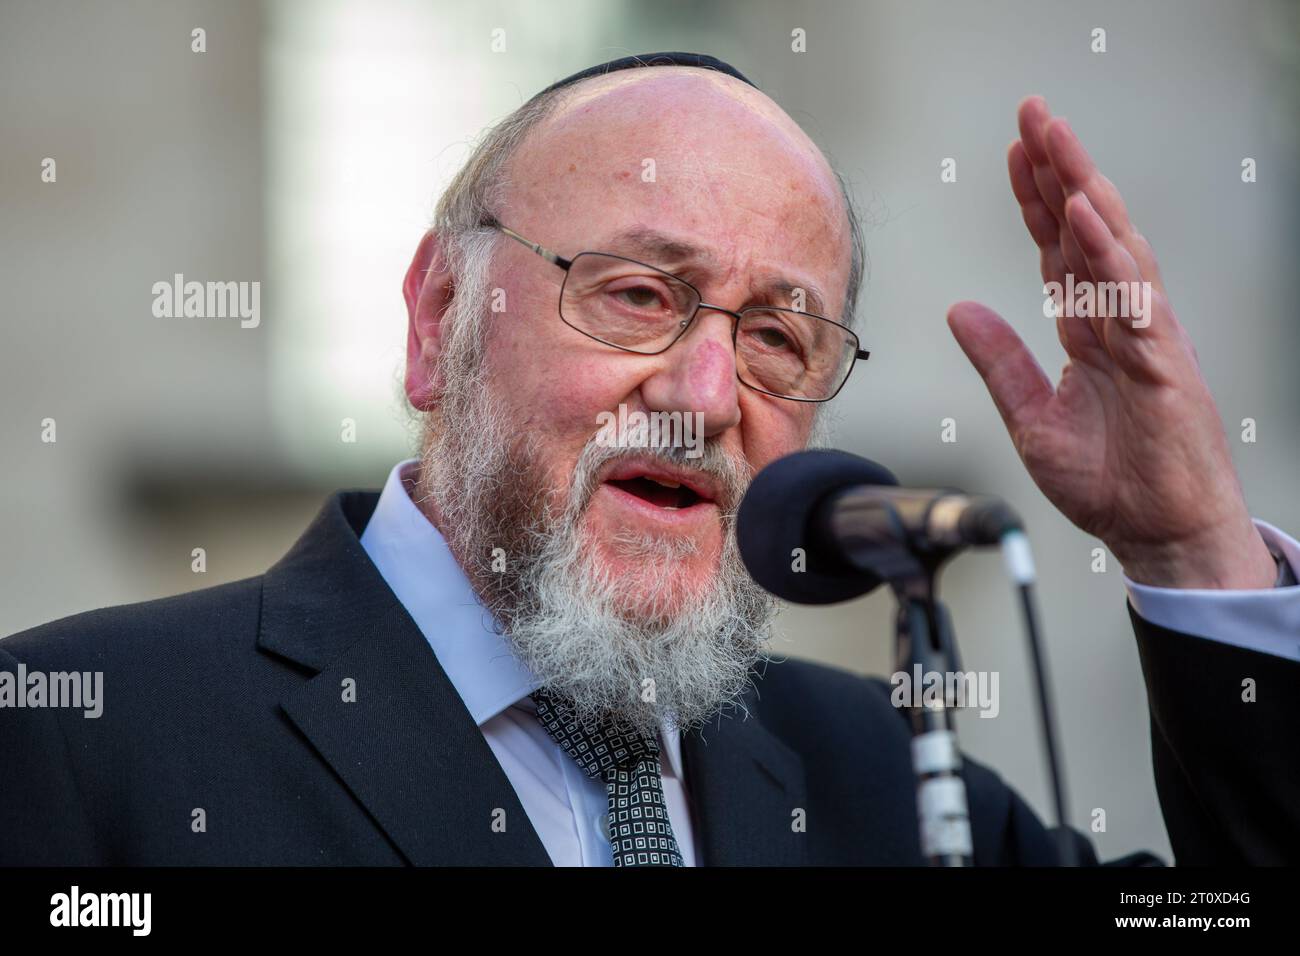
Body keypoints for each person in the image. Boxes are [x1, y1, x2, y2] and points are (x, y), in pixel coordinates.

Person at [2, 53, 1297, 867]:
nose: (706, 393)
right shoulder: (83, 738)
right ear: (437, 324)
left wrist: (1190, 544)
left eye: (781, 334)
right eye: (634, 293)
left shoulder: (891, 786)